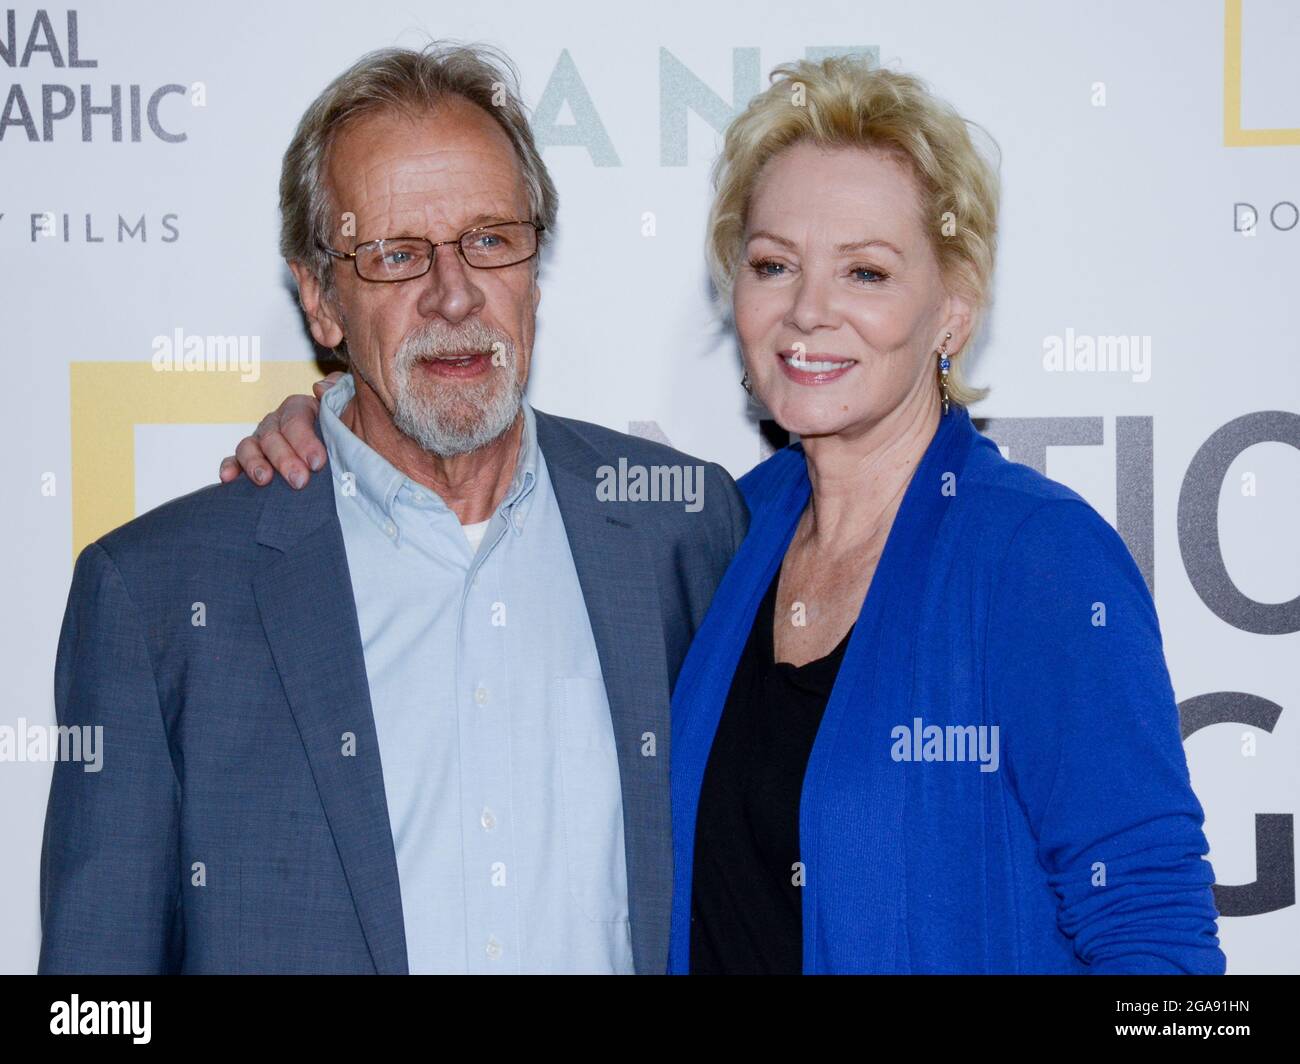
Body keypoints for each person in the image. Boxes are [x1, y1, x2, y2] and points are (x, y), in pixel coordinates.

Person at [223, 56, 1227, 974]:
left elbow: (1154, 934)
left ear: (953, 308)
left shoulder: (1034, 559)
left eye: (867, 271)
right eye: (773, 263)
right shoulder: (718, 530)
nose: (808, 311)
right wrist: (341, 418)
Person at [39, 43, 746, 975]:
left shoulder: (684, 530)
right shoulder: (159, 596)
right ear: (320, 299)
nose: (454, 294)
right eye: (396, 255)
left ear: (535, 267)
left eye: (490, 239)